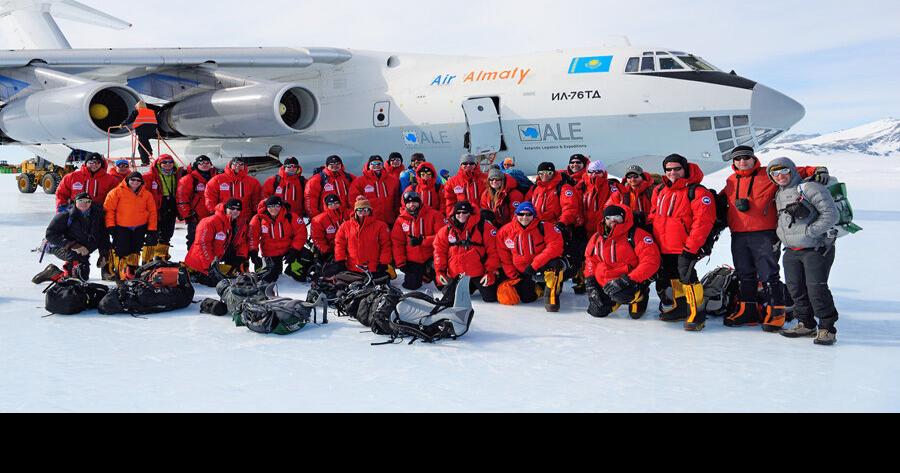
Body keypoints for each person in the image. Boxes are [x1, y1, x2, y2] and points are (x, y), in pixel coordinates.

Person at [720, 146, 825, 331]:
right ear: (733, 162)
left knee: (768, 274)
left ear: (754, 159)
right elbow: (723, 199)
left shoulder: (767, 174)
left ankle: (776, 313)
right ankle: (748, 311)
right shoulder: (731, 180)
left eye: (746, 158)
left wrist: (817, 170)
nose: (742, 161)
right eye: (738, 159)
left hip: (765, 234)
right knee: (744, 274)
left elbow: (795, 170)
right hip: (738, 234)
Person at [768, 158, 840, 346]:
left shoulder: (809, 188)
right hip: (791, 250)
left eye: (784, 171)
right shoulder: (779, 194)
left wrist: (810, 232)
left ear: (792, 171)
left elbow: (831, 214)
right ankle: (806, 324)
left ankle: (827, 328)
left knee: (816, 289)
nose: (780, 176)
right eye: (775, 173)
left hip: (815, 248)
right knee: (796, 289)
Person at [648, 154, 716, 331]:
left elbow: (703, 223)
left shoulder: (697, 192)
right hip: (664, 245)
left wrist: (691, 247)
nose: (672, 172)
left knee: (688, 278)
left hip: (685, 246)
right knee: (673, 276)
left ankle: (697, 312)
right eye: (668, 169)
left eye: (677, 168)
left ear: (685, 169)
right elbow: (654, 214)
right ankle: (680, 307)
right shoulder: (660, 190)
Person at [583, 204, 660, 318]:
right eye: (608, 218)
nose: (612, 221)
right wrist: (591, 283)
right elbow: (591, 260)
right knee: (597, 310)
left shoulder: (636, 235)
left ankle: (640, 295)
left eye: (617, 218)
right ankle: (613, 300)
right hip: (606, 282)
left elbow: (651, 261)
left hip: (630, 280)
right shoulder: (597, 237)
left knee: (629, 305)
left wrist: (627, 280)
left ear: (624, 218)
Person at [495, 202, 567, 311]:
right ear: (516, 214)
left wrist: (535, 265)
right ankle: (540, 288)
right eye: (521, 214)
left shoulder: (545, 227)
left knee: (555, 265)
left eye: (528, 214)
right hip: (522, 271)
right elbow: (504, 255)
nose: (525, 217)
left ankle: (551, 298)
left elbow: (555, 247)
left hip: (540, 266)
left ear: (534, 215)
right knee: (527, 298)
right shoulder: (505, 231)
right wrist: (512, 273)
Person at [32, 192, 111, 284]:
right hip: (58, 246)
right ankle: (53, 272)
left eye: (87, 201)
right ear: (75, 202)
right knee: (75, 277)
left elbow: (103, 237)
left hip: (82, 251)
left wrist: (103, 254)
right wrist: (73, 245)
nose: (84, 204)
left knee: (82, 277)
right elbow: (50, 235)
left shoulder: (97, 217)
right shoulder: (65, 215)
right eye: (80, 201)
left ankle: (64, 270)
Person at [433, 201, 500, 302]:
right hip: (456, 273)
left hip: (479, 272)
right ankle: (470, 286)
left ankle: (474, 285)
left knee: (490, 297)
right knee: (449, 299)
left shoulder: (484, 227)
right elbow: (439, 251)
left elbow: (493, 252)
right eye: (458, 212)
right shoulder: (446, 230)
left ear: (470, 213)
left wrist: (490, 272)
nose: (461, 215)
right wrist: (440, 271)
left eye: (464, 212)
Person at [571, 159, 620, 294]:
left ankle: (602, 281)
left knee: (602, 255)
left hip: (602, 228)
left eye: (598, 172)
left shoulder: (610, 186)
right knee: (584, 255)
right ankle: (583, 280)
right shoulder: (581, 186)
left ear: (603, 173)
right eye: (591, 172)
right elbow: (576, 205)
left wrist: (608, 225)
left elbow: (614, 204)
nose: (594, 175)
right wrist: (578, 222)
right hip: (585, 226)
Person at [103, 172, 157, 280]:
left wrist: (152, 229)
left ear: (141, 182)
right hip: (122, 226)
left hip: (140, 227)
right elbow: (109, 210)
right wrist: (110, 225)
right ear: (127, 180)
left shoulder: (147, 194)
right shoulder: (116, 192)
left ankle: (132, 271)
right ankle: (120, 272)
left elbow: (152, 212)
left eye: (138, 180)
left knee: (135, 249)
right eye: (133, 180)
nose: (135, 182)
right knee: (121, 250)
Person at [184, 199, 249, 286]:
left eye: (238, 209)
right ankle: (194, 274)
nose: (235, 211)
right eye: (232, 208)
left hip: (216, 262)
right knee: (216, 283)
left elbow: (241, 243)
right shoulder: (209, 222)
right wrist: (210, 266)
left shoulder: (234, 224)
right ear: (226, 209)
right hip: (200, 264)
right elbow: (202, 245)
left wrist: (241, 258)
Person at [392, 191, 446, 290]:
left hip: (432, 257)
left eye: (414, 202)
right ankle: (424, 274)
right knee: (411, 286)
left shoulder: (434, 215)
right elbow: (397, 243)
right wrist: (401, 262)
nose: (411, 205)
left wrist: (423, 241)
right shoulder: (401, 220)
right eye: (408, 203)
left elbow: (443, 236)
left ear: (420, 202)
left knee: (443, 286)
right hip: (413, 259)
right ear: (405, 204)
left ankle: (428, 272)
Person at [248, 196, 308, 283]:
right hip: (270, 252)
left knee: (306, 257)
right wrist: (253, 252)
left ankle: (292, 270)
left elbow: (301, 233)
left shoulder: (290, 216)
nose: (274, 209)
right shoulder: (259, 219)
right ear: (266, 207)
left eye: (277, 206)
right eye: (271, 206)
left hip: (289, 249)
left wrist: (294, 249)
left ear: (281, 206)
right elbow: (252, 236)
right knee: (272, 274)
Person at [333, 197, 392, 279]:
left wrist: (384, 262)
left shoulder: (380, 226)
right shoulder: (345, 226)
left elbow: (386, 245)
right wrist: (340, 260)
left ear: (370, 211)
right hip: (353, 268)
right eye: (360, 210)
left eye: (366, 210)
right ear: (355, 211)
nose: (363, 212)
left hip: (374, 268)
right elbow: (339, 244)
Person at [142, 154, 184, 262]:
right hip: (156, 207)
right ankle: (147, 260)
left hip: (171, 204)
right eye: (164, 162)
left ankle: (161, 258)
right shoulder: (149, 176)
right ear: (159, 164)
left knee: (167, 234)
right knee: (152, 235)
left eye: (170, 162)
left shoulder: (176, 175)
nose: (167, 164)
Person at [177, 155, 219, 251]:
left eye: (207, 163)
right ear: (197, 165)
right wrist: (187, 214)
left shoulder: (216, 177)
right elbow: (181, 197)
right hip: (196, 217)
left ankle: (209, 262)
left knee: (212, 240)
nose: (204, 165)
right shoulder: (189, 179)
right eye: (201, 163)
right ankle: (192, 262)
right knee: (193, 240)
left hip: (212, 216)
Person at [204, 157, 262, 225]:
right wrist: (213, 211)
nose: (238, 166)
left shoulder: (252, 182)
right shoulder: (217, 180)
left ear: (244, 166)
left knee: (242, 235)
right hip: (223, 217)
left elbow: (257, 198)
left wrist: (255, 212)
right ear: (230, 165)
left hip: (244, 218)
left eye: (241, 164)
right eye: (235, 164)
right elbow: (210, 196)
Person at [349, 155, 400, 225]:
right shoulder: (359, 181)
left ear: (383, 165)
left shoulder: (392, 180)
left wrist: (397, 214)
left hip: (389, 219)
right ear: (369, 166)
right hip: (370, 221)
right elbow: (353, 199)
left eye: (379, 164)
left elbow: (396, 199)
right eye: (373, 164)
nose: (376, 166)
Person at [310, 194, 347, 265]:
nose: (334, 206)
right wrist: (327, 250)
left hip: (347, 247)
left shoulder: (348, 214)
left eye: (336, 203)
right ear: (326, 205)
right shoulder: (319, 220)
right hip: (331, 250)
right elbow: (317, 239)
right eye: (331, 204)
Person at [130, 101, 158, 166]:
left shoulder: (136, 112)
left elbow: (130, 120)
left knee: (141, 147)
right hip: (152, 132)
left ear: (138, 106)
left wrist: (122, 124)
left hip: (142, 131)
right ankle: (149, 151)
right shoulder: (151, 111)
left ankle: (145, 161)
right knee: (145, 142)